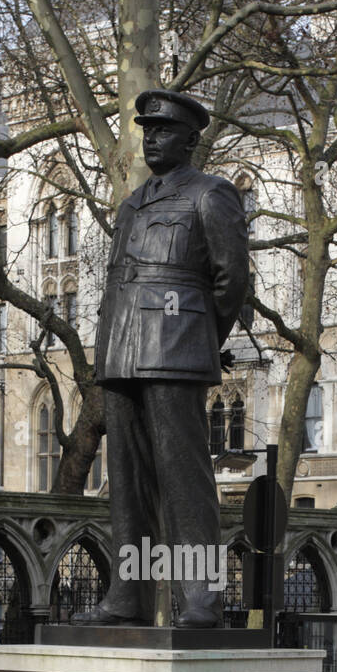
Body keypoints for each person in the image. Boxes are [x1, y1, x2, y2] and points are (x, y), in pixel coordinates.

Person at [74, 88, 250, 628]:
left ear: (191, 140)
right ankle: (128, 593)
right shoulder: (132, 204)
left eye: (164, 130)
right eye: (147, 130)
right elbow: (114, 284)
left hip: (174, 352)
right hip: (122, 354)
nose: (152, 138)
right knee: (127, 482)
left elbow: (232, 281)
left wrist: (195, 336)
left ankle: (201, 595)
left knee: (184, 479)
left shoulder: (211, 194)